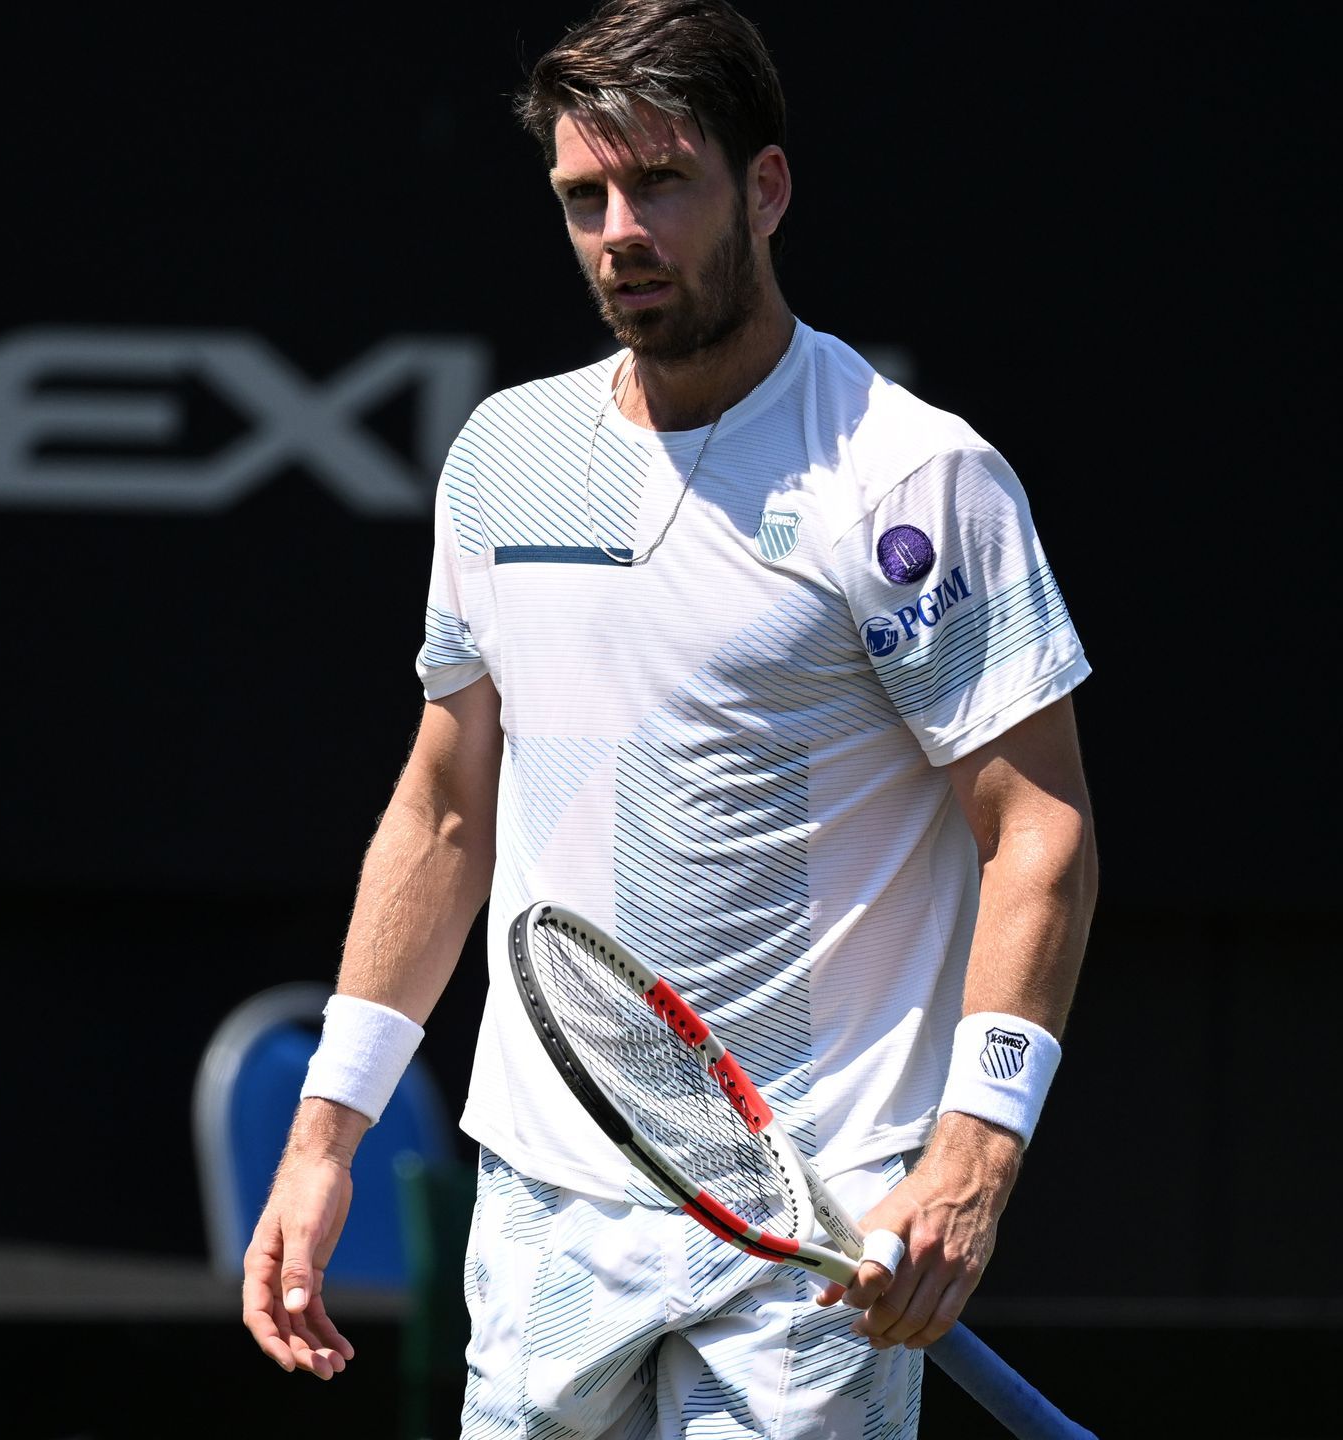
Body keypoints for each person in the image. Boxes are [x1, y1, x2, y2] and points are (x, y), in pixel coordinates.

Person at [239, 2, 1098, 1433]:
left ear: (764, 189)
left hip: (815, 1244)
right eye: (586, 197)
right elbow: (446, 809)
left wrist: (974, 1153)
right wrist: (326, 1132)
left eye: (662, 183)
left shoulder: (912, 482)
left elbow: (1038, 829)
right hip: (544, 1220)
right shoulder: (505, 460)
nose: (620, 231)